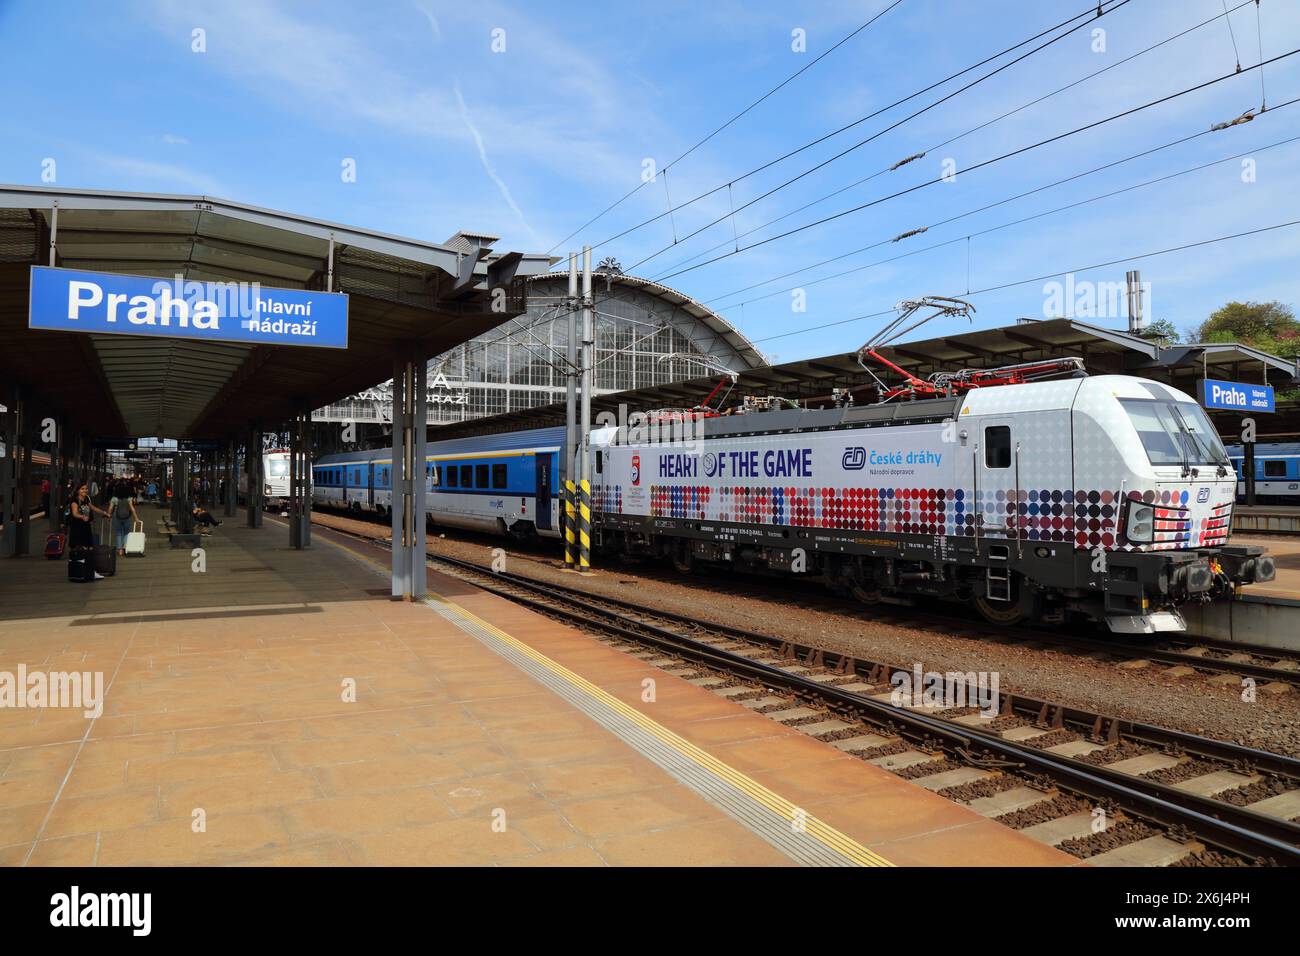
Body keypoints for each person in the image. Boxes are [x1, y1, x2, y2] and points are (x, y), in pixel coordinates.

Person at [68, 483, 109, 561]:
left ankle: (86, 563)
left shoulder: (86, 499)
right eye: (82, 489)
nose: (85, 490)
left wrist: (105, 513)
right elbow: (74, 513)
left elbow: (93, 508)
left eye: (86, 488)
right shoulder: (75, 501)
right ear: (78, 491)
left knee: (88, 545)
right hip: (77, 527)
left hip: (86, 525)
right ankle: (78, 562)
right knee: (78, 546)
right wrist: (82, 517)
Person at [108, 480, 141, 557]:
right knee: (127, 533)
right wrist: (136, 518)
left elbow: (110, 508)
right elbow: (132, 509)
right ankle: (125, 547)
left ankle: (120, 550)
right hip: (127, 516)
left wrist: (109, 515)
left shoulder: (114, 498)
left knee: (118, 533)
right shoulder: (129, 498)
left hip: (117, 516)